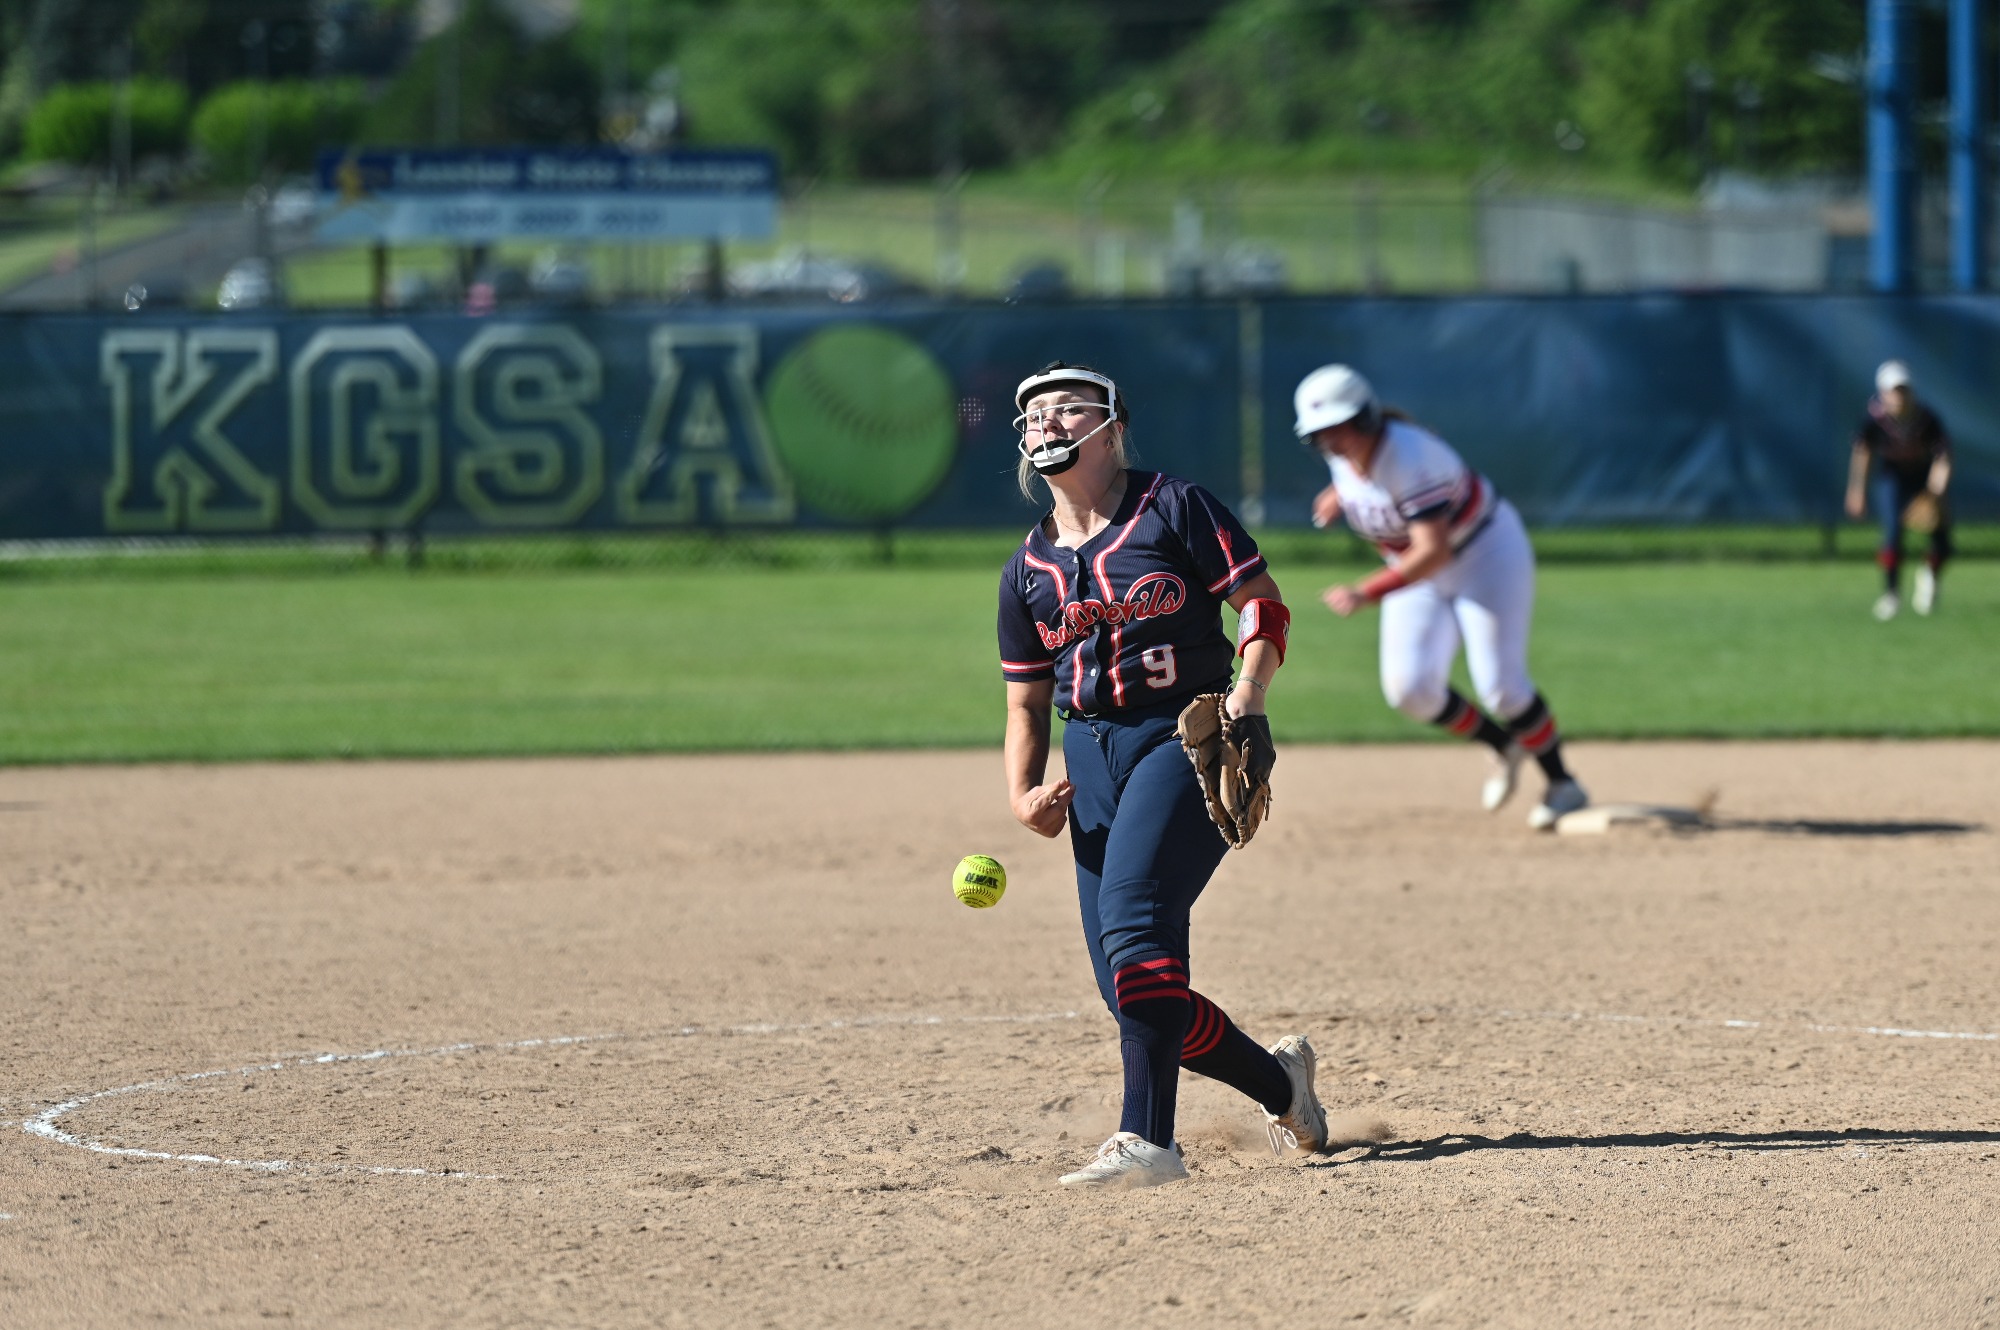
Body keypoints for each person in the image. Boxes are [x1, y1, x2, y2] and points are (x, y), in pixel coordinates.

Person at [996, 360, 1328, 1189]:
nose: (1048, 423)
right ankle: (1281, 1086)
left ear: (1112, 430)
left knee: (1136, 926)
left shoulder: (1172, 506)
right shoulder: (1028, 569)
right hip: (1088, 759)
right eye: (1034, 415)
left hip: (1183, 735)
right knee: (1133, 991)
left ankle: (1148, 1143)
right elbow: (1025, 702)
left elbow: (1263, 605)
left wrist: (1250, 692)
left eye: (1070, 409)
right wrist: (1024, 794)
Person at [1296, 364, 1587, 830]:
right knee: (1409, 688)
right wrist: (1339, 495)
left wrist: (1365, 592)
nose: (1331, 439)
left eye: (1340, 426)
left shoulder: (1411, 457)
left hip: (1484, 554)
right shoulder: (1345, 454)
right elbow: (1363, 479)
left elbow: (1433, 550)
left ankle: (1563, 783)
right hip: (1416, 566)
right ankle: (1503, 746)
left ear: (1365, 417)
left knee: (1502, 687)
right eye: (1321, 433)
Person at [1845, 360, 1953, 620]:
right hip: (1892, 477)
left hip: (1923, 478)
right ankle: (1891, 594)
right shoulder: (1875, 420)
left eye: (1903, 389)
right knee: (1893, 532)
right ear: (1883, 393)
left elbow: (1943, 457)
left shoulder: (1926, 419)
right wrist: (1857, 490)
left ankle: (1930, 575)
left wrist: (1935, 493)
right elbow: (1863, 453)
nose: (1899, 396)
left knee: (1942, 542)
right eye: (1894, 390)